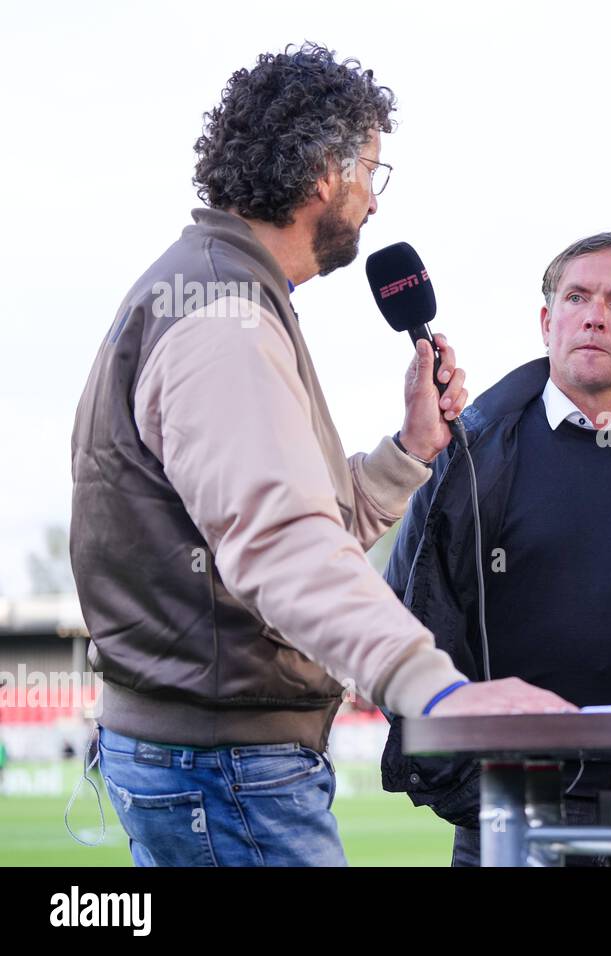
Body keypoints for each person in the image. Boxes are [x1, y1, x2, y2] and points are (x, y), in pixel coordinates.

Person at [69, 43, 571, 868]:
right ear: (321, 178)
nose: (375, 201)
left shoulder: (218, 290)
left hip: (213, 762)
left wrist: (411, 451)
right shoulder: (224, 320)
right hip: (225, 767)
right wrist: (437, 690)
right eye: (372, 171)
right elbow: (281, 545)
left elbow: (289, 521)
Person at [380, 232, 611, 866]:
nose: (593, 314)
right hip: (511, 809)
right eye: (577, 297)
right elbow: (412, 614)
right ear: (546, 321)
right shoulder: (470, 456)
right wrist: (469, 788)